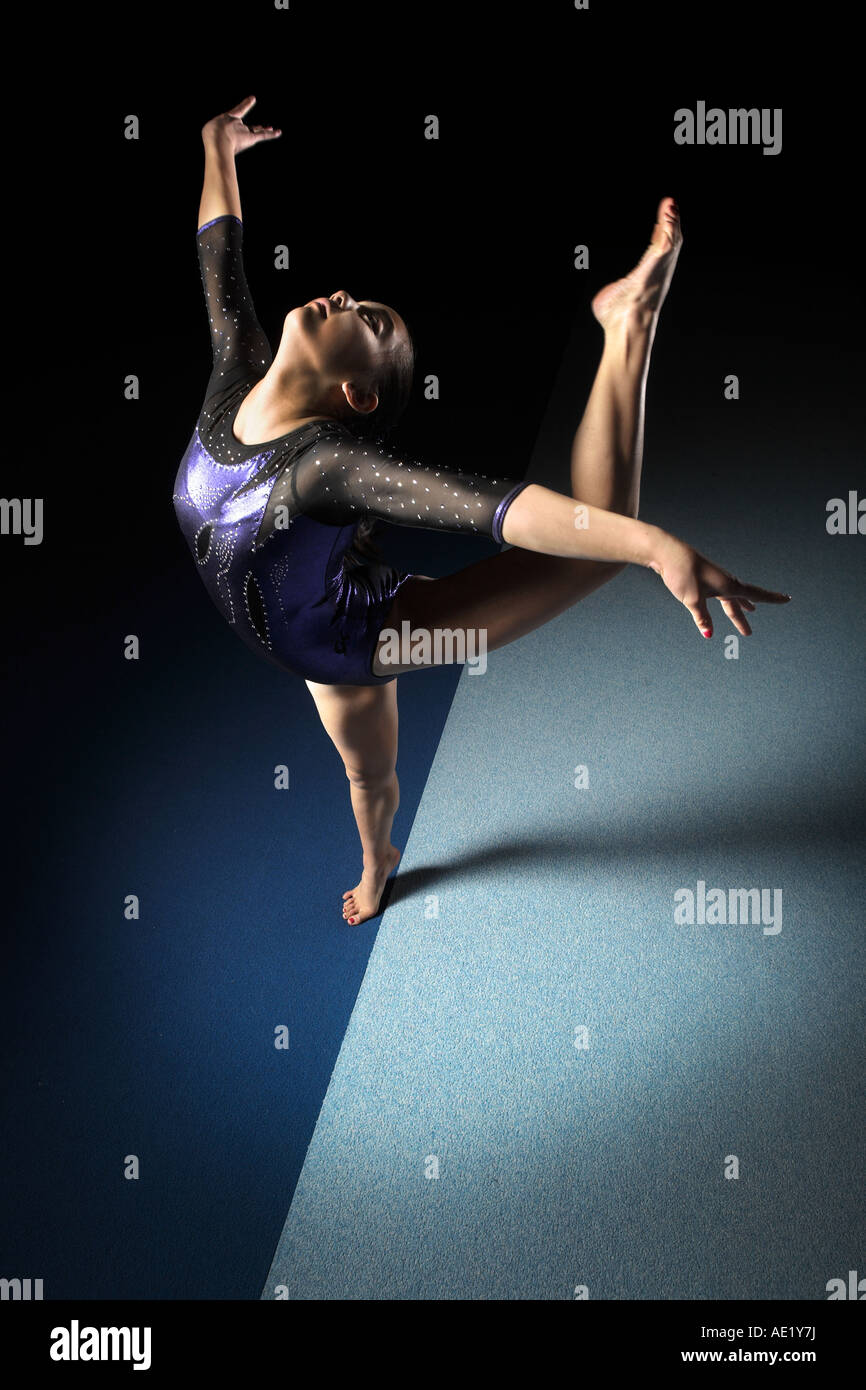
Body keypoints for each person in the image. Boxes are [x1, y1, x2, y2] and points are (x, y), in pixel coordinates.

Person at [173, 95, 790, 927]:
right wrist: (218, 146)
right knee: (371, 770)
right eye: (364, 301)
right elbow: (221, 254)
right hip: (301, 616)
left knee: (373, 773)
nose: (348, 295)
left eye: (371, 320)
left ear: (354, 394)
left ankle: (627, 325)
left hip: (365, 637)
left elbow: (496, 510)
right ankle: (382, 854)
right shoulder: (233, 378)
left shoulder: (330, 466)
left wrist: (656, 549)